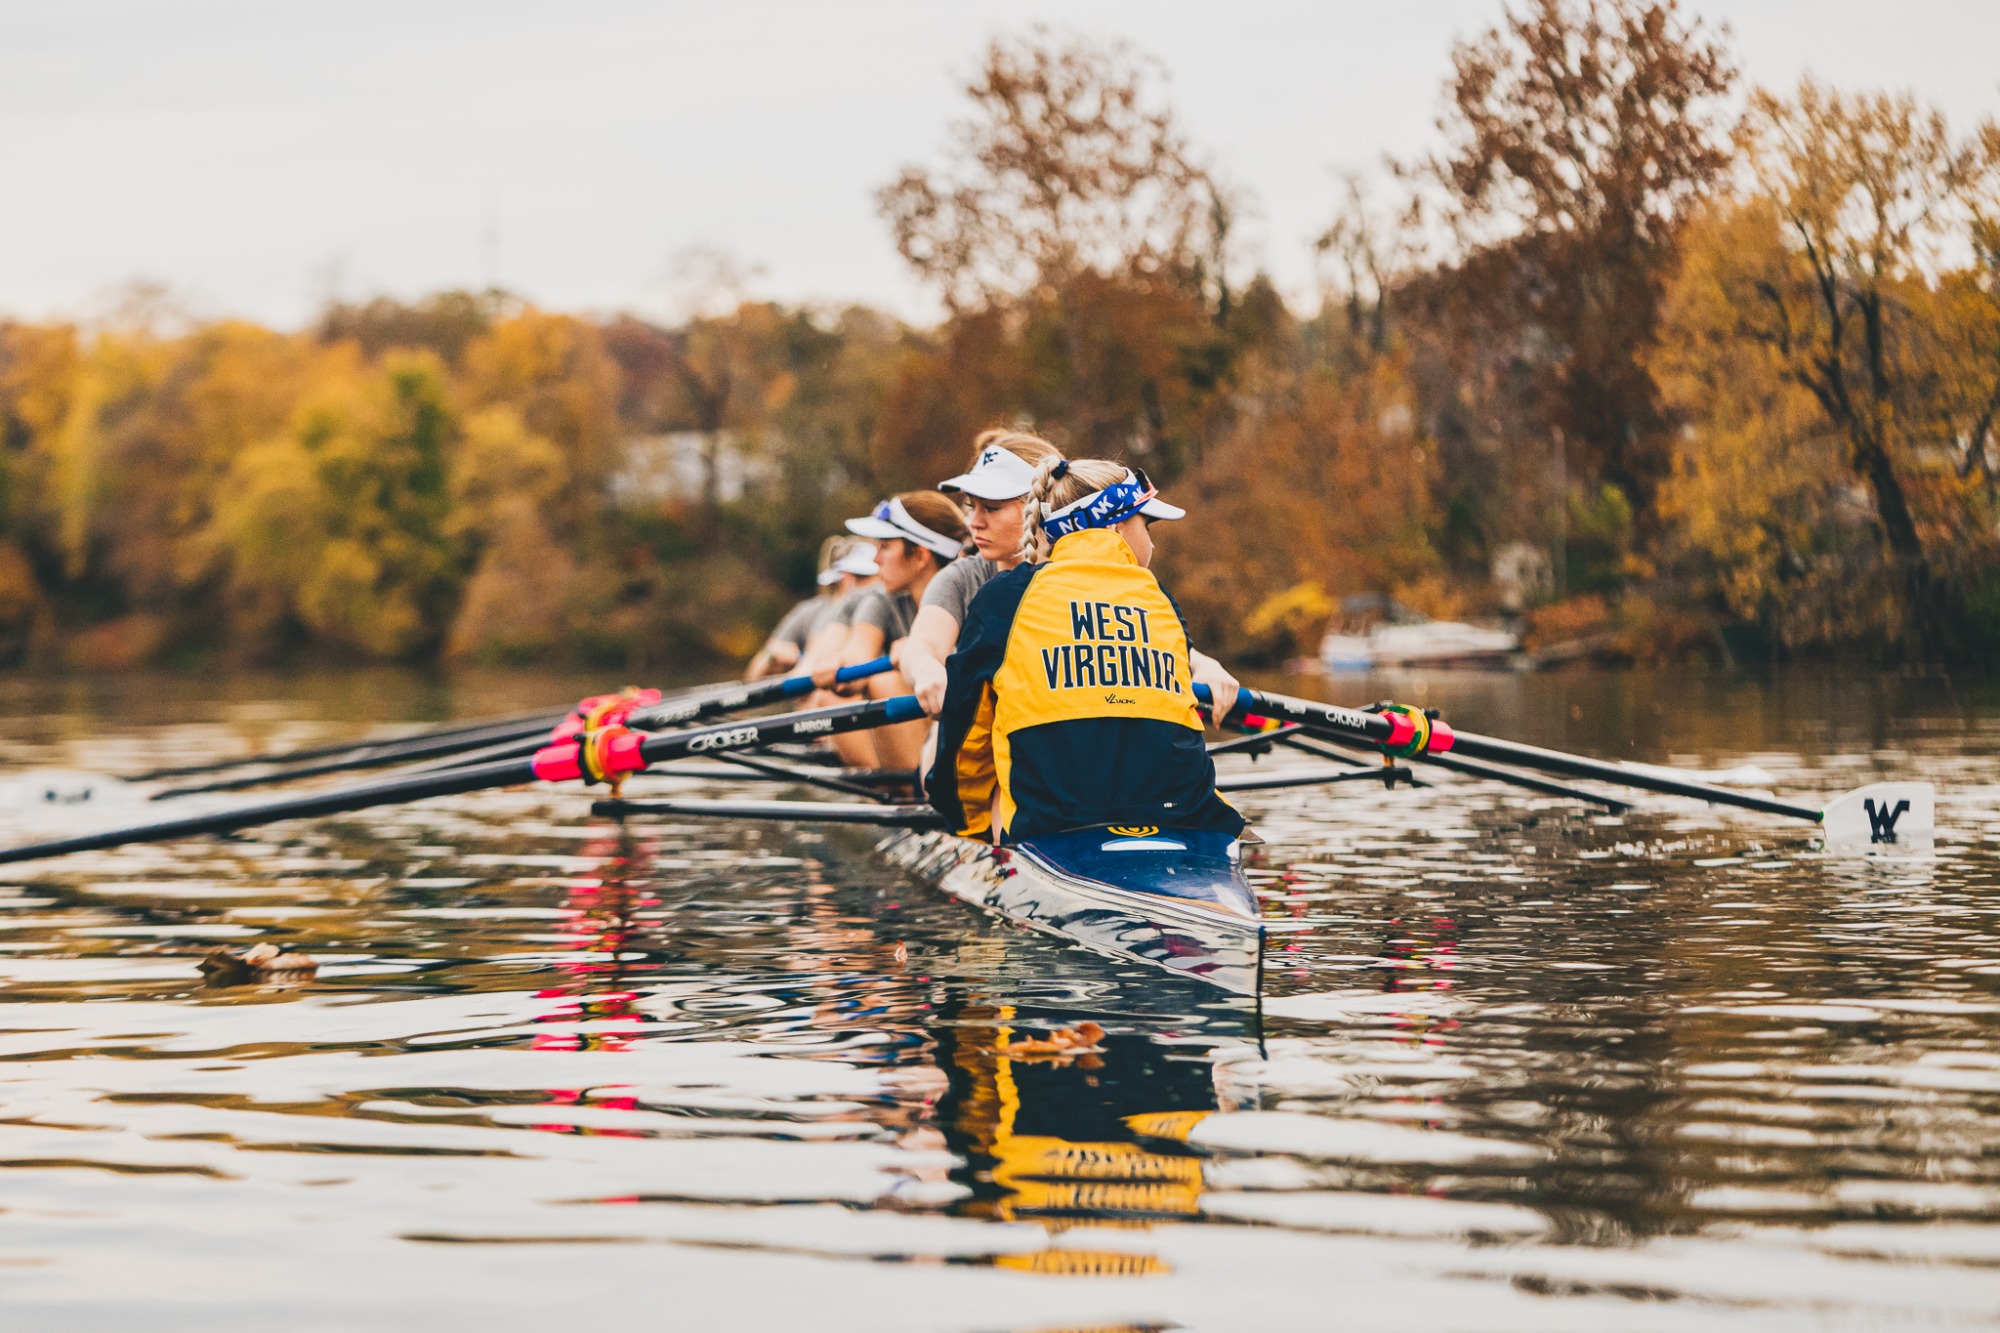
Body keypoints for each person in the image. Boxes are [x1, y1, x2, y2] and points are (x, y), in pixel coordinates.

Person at [926, 457, 1244, 844]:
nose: (1153, 542)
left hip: (1050, 828)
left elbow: (966, 741)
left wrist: (968, 831)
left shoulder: (1004, 599)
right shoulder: (1160, 599)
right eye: (1148, 525)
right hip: (1188, 820)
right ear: (1117, 525)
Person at [903, 430, 1241, 723]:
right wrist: (928, 670)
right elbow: (924, 644)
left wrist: (1201, 664)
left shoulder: (1089, 571)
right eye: (970, 506)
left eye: (990, 508)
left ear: (1040, 502)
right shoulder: (964, 577)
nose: (973, 523)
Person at [815, 491, 969, 772]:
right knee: (833, 698)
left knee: (885, 683)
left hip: (969, 729)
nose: (875, 560)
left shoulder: (972, 590)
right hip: (924, 733)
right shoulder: (882, 600)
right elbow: (856, 657)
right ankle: (902, 795)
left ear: (920, 556)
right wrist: (837, 667)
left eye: (884, 547)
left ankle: (913, 792)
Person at [746, 536, 879, 680]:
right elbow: (753, 673)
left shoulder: (883, 606)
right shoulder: (809, 611)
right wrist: (772, 657)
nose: (853, 582)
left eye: (864, 576)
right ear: (842, 576)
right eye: (857, 575)